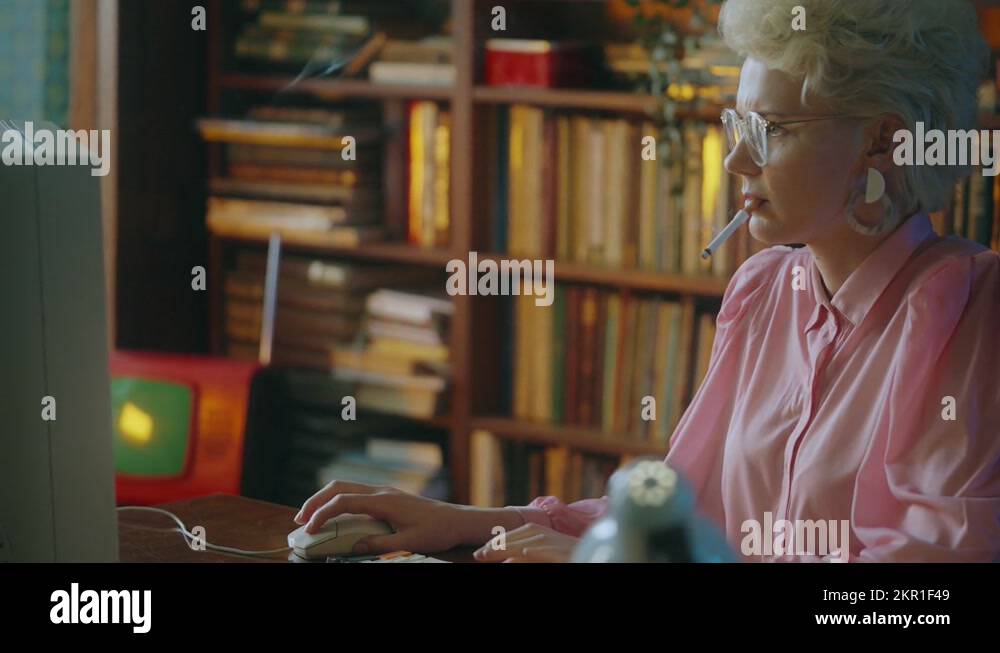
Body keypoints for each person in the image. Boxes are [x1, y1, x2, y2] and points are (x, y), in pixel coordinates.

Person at [295, 0, 1000, 562]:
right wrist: (466, 523)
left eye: (774, 129)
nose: (735, 164)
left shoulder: (972, 309)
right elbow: (675, 518)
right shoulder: (763, 292)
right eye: (737, 125)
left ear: (881, 140)